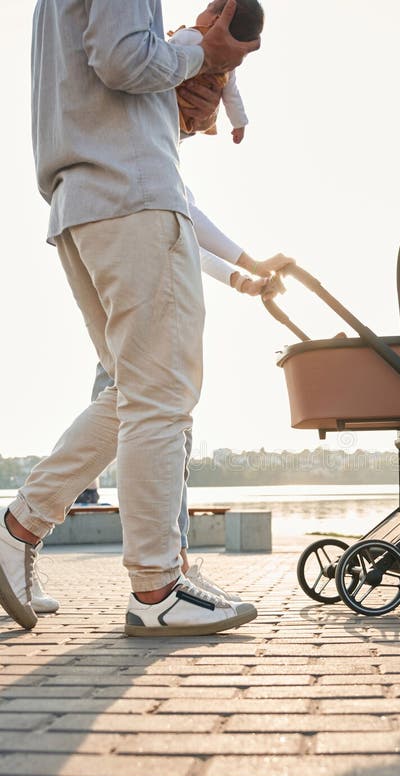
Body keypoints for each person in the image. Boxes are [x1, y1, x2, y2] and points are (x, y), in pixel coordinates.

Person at [0, 0, 265, 636]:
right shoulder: (167, 60)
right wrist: (205, 53)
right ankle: (156, 588)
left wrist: (183, 72)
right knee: (161, 399)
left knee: (132, 396)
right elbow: (125, 60)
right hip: (131, 201)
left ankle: (17, 532)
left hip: (82, 203)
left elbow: (115, 70)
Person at [33, 193, 292, 616]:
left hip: (93, 233)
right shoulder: (139, 145)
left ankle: (170, 569)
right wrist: (246, 269)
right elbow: (179, 217)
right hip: (133, 263)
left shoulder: (129, 156)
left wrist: (243, 274)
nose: (203, 123)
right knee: (158, 417)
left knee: (163, 422)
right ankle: (24, 531)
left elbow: (182, 221)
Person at [172, 0, 264, 141]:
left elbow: (162, 57)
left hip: (167, 99)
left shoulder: (190, 35)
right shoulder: (227, 66)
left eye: (208, 7)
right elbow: (232, 95)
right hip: (186, 121)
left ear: (217, 20)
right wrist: (239, 123)